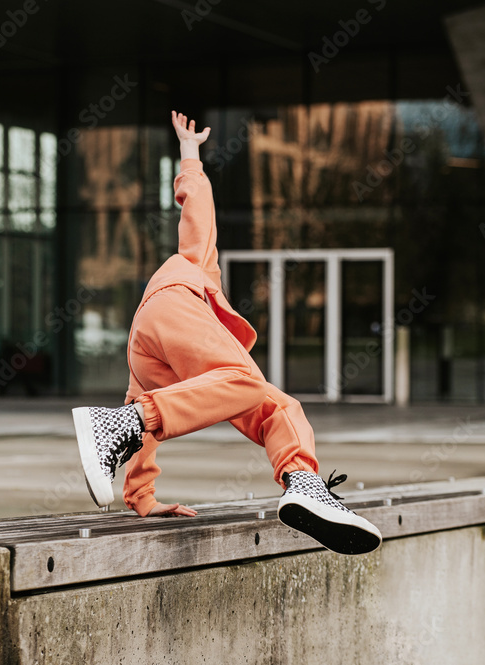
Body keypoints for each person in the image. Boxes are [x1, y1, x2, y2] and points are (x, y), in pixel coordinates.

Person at [72, 111, 382, 555]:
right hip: (173, 299)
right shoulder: (200, 270)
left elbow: (143, 422)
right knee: (246, 381)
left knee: (275, 405)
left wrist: (143, 500)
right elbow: (197, 211)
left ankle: (304, 484)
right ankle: (116, 425)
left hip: (146, 337)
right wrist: (190, 155)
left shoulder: (173, 363)